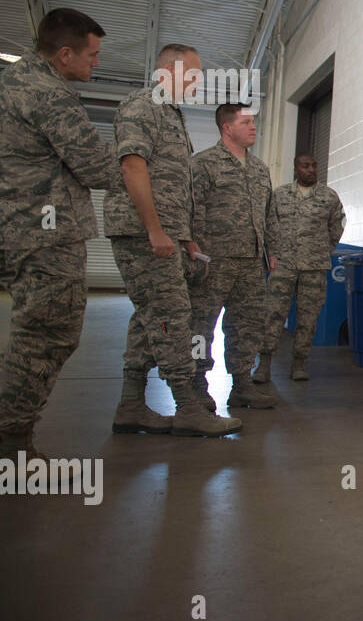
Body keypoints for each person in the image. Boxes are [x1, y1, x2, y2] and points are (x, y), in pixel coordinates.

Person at [104, 44, 240, 437]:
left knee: (150, 319)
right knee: (171, 318)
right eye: (194, 73)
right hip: (142, 232)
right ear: (169, 69)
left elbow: (175, 187)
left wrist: (186, 239)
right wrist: (154, 230)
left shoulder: (172, 114)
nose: (198, 81)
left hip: (165, 235)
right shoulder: (142, 105)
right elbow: (133, 166)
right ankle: (188, 408)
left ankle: (130, 405)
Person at [0, 9, 118, 457]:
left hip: (15, 230)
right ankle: (12, 449)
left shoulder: (11, 82)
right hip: (45, 237)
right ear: (65, 53)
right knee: (46, 337)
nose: (96, 63)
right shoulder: (51, 94)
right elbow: (97, 166)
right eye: (92, 55)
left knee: (27, 332)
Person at [189, 103, 277, 409]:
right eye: (246, 122)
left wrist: (271, 252)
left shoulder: (259, 169)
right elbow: (192, 211)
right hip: (214, 263)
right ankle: (196, 384)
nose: (253, 127)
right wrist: (196, 253)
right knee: (201, 325)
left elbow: (269, 215)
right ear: (227, 128)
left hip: (252, 263)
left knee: (247, 325)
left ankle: (241, 384)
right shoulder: (203, 164)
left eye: (254, 122)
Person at [255, 152, 345, 382]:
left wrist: (323, 251)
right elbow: (268, 226)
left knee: (308, 318)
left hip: (314, 267)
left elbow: (337, 227)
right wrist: (272, 254)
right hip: (283, 265)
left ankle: (299, 363)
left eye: (314, 166)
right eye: (305, 166)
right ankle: (264, 364)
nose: (311, 169)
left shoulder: (329, 197)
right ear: (296, 169)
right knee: (273, 313)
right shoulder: (280, 195)